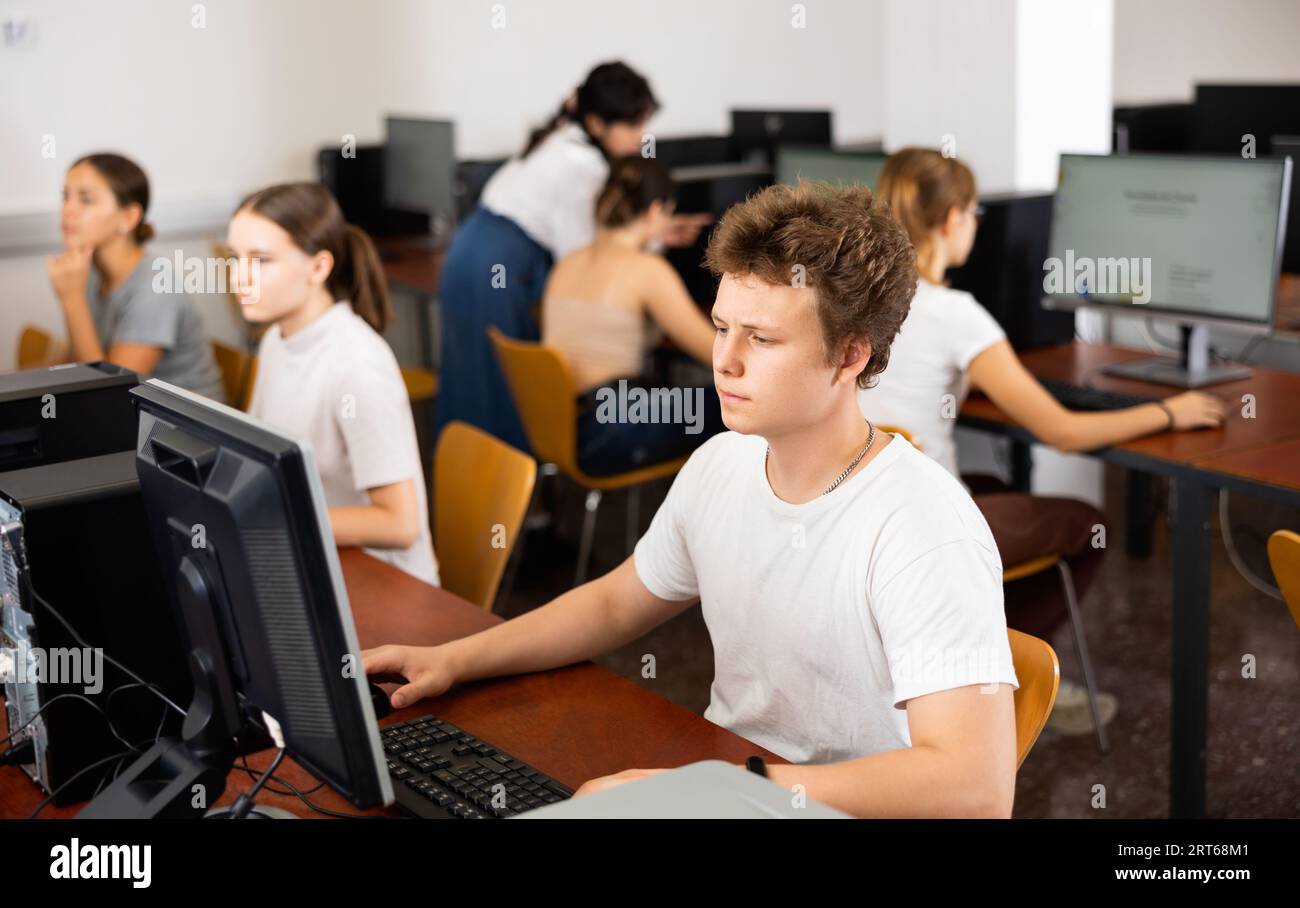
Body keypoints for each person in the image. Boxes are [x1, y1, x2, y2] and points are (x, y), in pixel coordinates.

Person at [365, 182, 1021, 818]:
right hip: (731, 783)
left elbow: (975, 789)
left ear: (850, 357)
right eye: (721, 327)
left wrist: (726, 788)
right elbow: (615, 602)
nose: (724, 361)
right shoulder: (722, 463)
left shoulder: (922, 523)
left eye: (761, 338)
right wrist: (454, 659)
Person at [861, 147, 1226, 731]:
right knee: (1086, 525)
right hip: (926, 531)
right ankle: (1002, 682)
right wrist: (1166, 411)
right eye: (974, 213)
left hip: (863, 515)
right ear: (952, 219)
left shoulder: (859, 300)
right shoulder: (955, 313)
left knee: (991, 483)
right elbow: (1063, 431)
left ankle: (958, 654)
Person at [436, 61, 708, 451]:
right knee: (494, 389)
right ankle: (504, 480)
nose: (641, 137)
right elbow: (591, 255)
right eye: (633, 125)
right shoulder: (581, 167)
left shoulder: (562, 141)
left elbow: (600, 245)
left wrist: (654, 233)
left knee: (475, 382)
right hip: (496, 265)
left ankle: (478, 478)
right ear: (596, 123)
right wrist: (650, 248)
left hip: (472, 251)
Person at [228, 182, 439, 586]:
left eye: (261, 260)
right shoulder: (276, 340)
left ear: (319, 268)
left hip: (385, 583)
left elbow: (400, 524)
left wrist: (277, 518)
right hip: (321, 557)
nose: (239, 278)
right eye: (235, 258)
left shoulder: (356, 367)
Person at [542, 156, 724, 475]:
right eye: (668, 214)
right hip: (611, 425)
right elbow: (717, 355)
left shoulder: (568, 263)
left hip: (562, 424)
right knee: (730, 403)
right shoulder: (647, 271)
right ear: (655, 211)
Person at [46, 152, 225, 400]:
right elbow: (74, 364)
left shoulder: (155, 288)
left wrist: (71, 299)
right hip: (130, 412)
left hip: (184, 420)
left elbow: (111, 397)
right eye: (66, 197)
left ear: (128, 217)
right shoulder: (91, 273)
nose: (68, 210)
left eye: (86, 200)